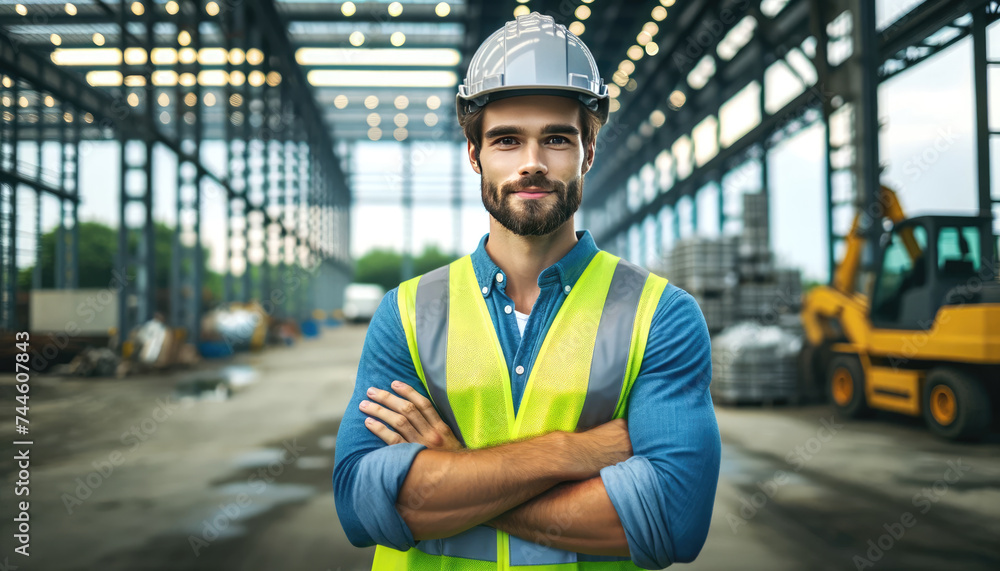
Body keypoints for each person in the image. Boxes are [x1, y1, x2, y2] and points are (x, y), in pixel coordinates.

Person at [333, 12, 721, 570]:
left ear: (588, 151)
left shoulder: (660, 317)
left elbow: (672, 519)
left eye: (557, 139)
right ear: (475, 155)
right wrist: (573, 452)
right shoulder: (408, 314)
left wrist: (455, 473)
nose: (532, 163)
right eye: (507, 140)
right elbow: (360, 504)